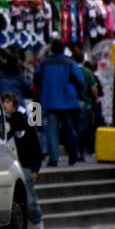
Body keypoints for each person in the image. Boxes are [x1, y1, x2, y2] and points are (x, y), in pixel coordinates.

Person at [34, 37, 82, 167]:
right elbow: (80, 80)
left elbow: (36, 79)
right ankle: (73, 155)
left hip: (49, 100)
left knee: (51, 130)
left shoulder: (43, 63)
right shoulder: (70, 63)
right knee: (69, 129)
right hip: (68, 101)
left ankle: (53, 158)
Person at [2, 91, 43, 229]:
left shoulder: (25, 122)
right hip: (10, 165)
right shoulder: (3, 122)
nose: (5, 105)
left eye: (7, 102)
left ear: (14, 104)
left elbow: (36, 147)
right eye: (3, 102)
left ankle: (37, 220)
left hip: (25, 163)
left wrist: (35, 168)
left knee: (29, 198)